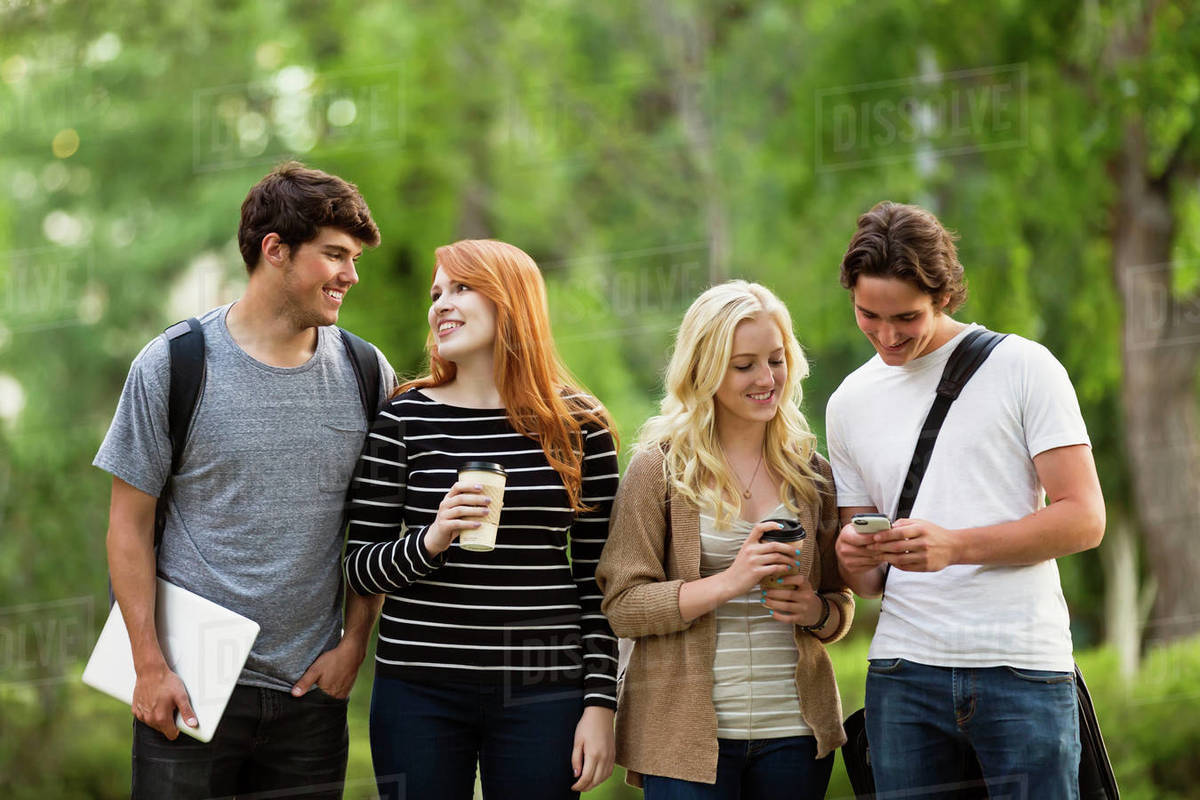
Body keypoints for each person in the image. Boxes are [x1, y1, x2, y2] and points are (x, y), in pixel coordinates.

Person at [94, 162, 394, 799]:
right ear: (275, 251)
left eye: (355, 258)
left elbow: (377, 525)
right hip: (188, 689)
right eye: (335, 255)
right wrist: (148, 667)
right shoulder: (175, 364)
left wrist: (353, 646)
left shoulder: (368, 373)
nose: (351, 275)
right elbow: (128, 526)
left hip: (310, 698)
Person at [828, 201, 1106, 799]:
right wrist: (853, 558)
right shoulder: (848, 401)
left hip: (1022, 669)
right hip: (903, 673)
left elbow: (1084, 518)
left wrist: (956, 546)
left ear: (946, 295)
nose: (887, 335)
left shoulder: (1025, 368)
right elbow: (872, 579)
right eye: (867, 315)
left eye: (906, 317)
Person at [343, 239, 619, 800]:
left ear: (511, 300)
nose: (441, 303)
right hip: (417, 690)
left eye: (461, 287)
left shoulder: (580, 426)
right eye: (436, 292)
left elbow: (602, 583)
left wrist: (600, 705)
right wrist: (432, 538)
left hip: (544, 690)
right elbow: (357, 569)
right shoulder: (404, 416)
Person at [596, 280, 853, 799]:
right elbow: (622, 606)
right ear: (705, 370)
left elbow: (839, 604)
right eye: (744, 365)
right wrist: (730, 581)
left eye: (776, 360)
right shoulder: (660, 470)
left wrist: (814, 613)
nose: (766, 379)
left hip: (796, 736)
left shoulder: (812, 474)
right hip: (686, 742)